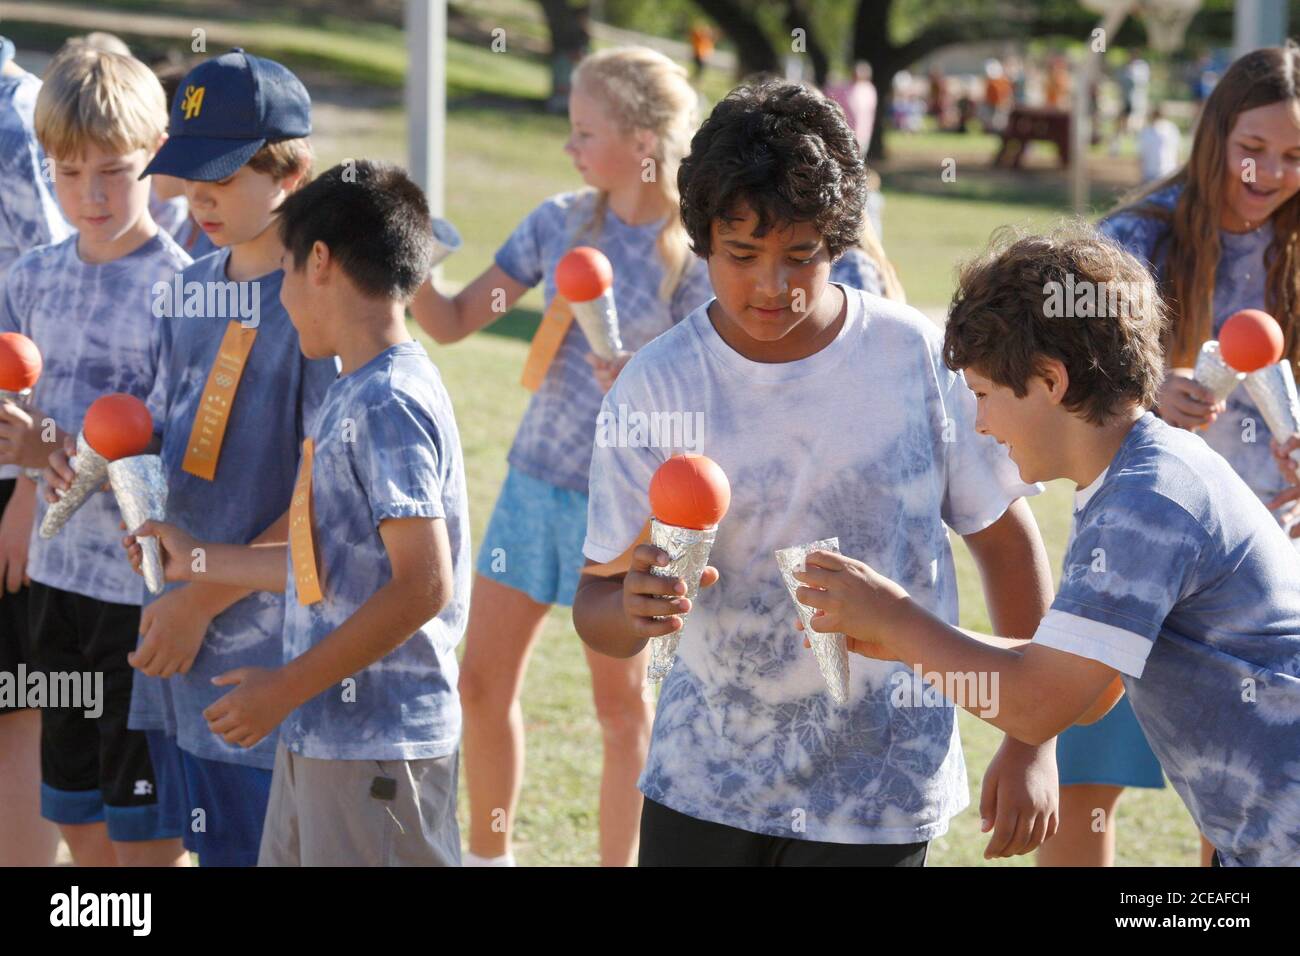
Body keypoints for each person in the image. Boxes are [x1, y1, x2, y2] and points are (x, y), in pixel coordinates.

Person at [573, 80, 1059, 866]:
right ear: (701, 241)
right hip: (706, 781)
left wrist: (1032, 738)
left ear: (843, 239)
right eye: (742, 255)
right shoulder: (654, 386)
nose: (772, 285)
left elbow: (1005, 542)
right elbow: (595, 603)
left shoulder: (917, 361)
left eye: (801, 256)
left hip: (878, 789)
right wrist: (634, 609)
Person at [793, 226, 1300, 867]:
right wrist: (897, 640)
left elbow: (1039, 705)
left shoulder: (1149, 504)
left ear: (1049, 381)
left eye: (982, 394)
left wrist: (894, 618)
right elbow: (1089, 692)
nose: (979, 422)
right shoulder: (1132, 479)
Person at [410, 46, 712, 868]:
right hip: (532, 485)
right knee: (479, 683)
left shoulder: (697, 255)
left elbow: (719, 406)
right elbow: (452, 320)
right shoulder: (556, 223)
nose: (571, 148)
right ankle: (488, 857)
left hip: (624, 509)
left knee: (620, 714)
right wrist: (404, 244)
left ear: (645, 140)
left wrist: (641, 378)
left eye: (586, 131)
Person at [124, 160, 470, 867]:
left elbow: (422, 586)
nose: (277, 295)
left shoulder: (389, 401)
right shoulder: (354, 388)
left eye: (282, 273)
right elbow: (329, 567)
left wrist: (284, 687)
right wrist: (195, 559)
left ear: (319, 261)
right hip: (318, 736)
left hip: (376, 745)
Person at [75, 48, 325, 867]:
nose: (200, 196)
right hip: (182, 665)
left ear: (294, 170)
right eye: (189, 172)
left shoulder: (321, 312)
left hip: (265, 676)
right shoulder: (191, 286)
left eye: (224, 174)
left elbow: (326, 513)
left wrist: (198, 602)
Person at [1060, 44, 1300, 867]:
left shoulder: (1294, 253)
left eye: (1295, 156)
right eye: (1253, 149)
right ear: (1214, 138)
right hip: (1135, 547)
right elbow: (1058, 377)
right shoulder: (1133, 242)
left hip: (1258, 568)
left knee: (1235, 806)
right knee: (1087, 782)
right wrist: (1144, 395)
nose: (1269, 173)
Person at [0, 44, 191, 866]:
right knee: (73, 811)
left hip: (138, 597)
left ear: (155, 154)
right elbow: (24, 419)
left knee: (142, 826)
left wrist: (62, 454)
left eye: (114, 170)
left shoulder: (186, 291)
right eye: (71, 173)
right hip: (55, 585)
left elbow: (180, 474)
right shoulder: (35, 277)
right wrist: (19, 495)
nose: (94, 194)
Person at [0, 30, 71, 868]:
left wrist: (27, 487)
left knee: (17, 703)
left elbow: (59, 297)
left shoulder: (20, 118)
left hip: (10, 468)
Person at [1137, 104, 1180, 184]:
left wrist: (1141, 176)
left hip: (1155, 174)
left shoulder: (1146, 131)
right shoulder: (1171, 128)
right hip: (1167, 173)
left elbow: (1141, 157)